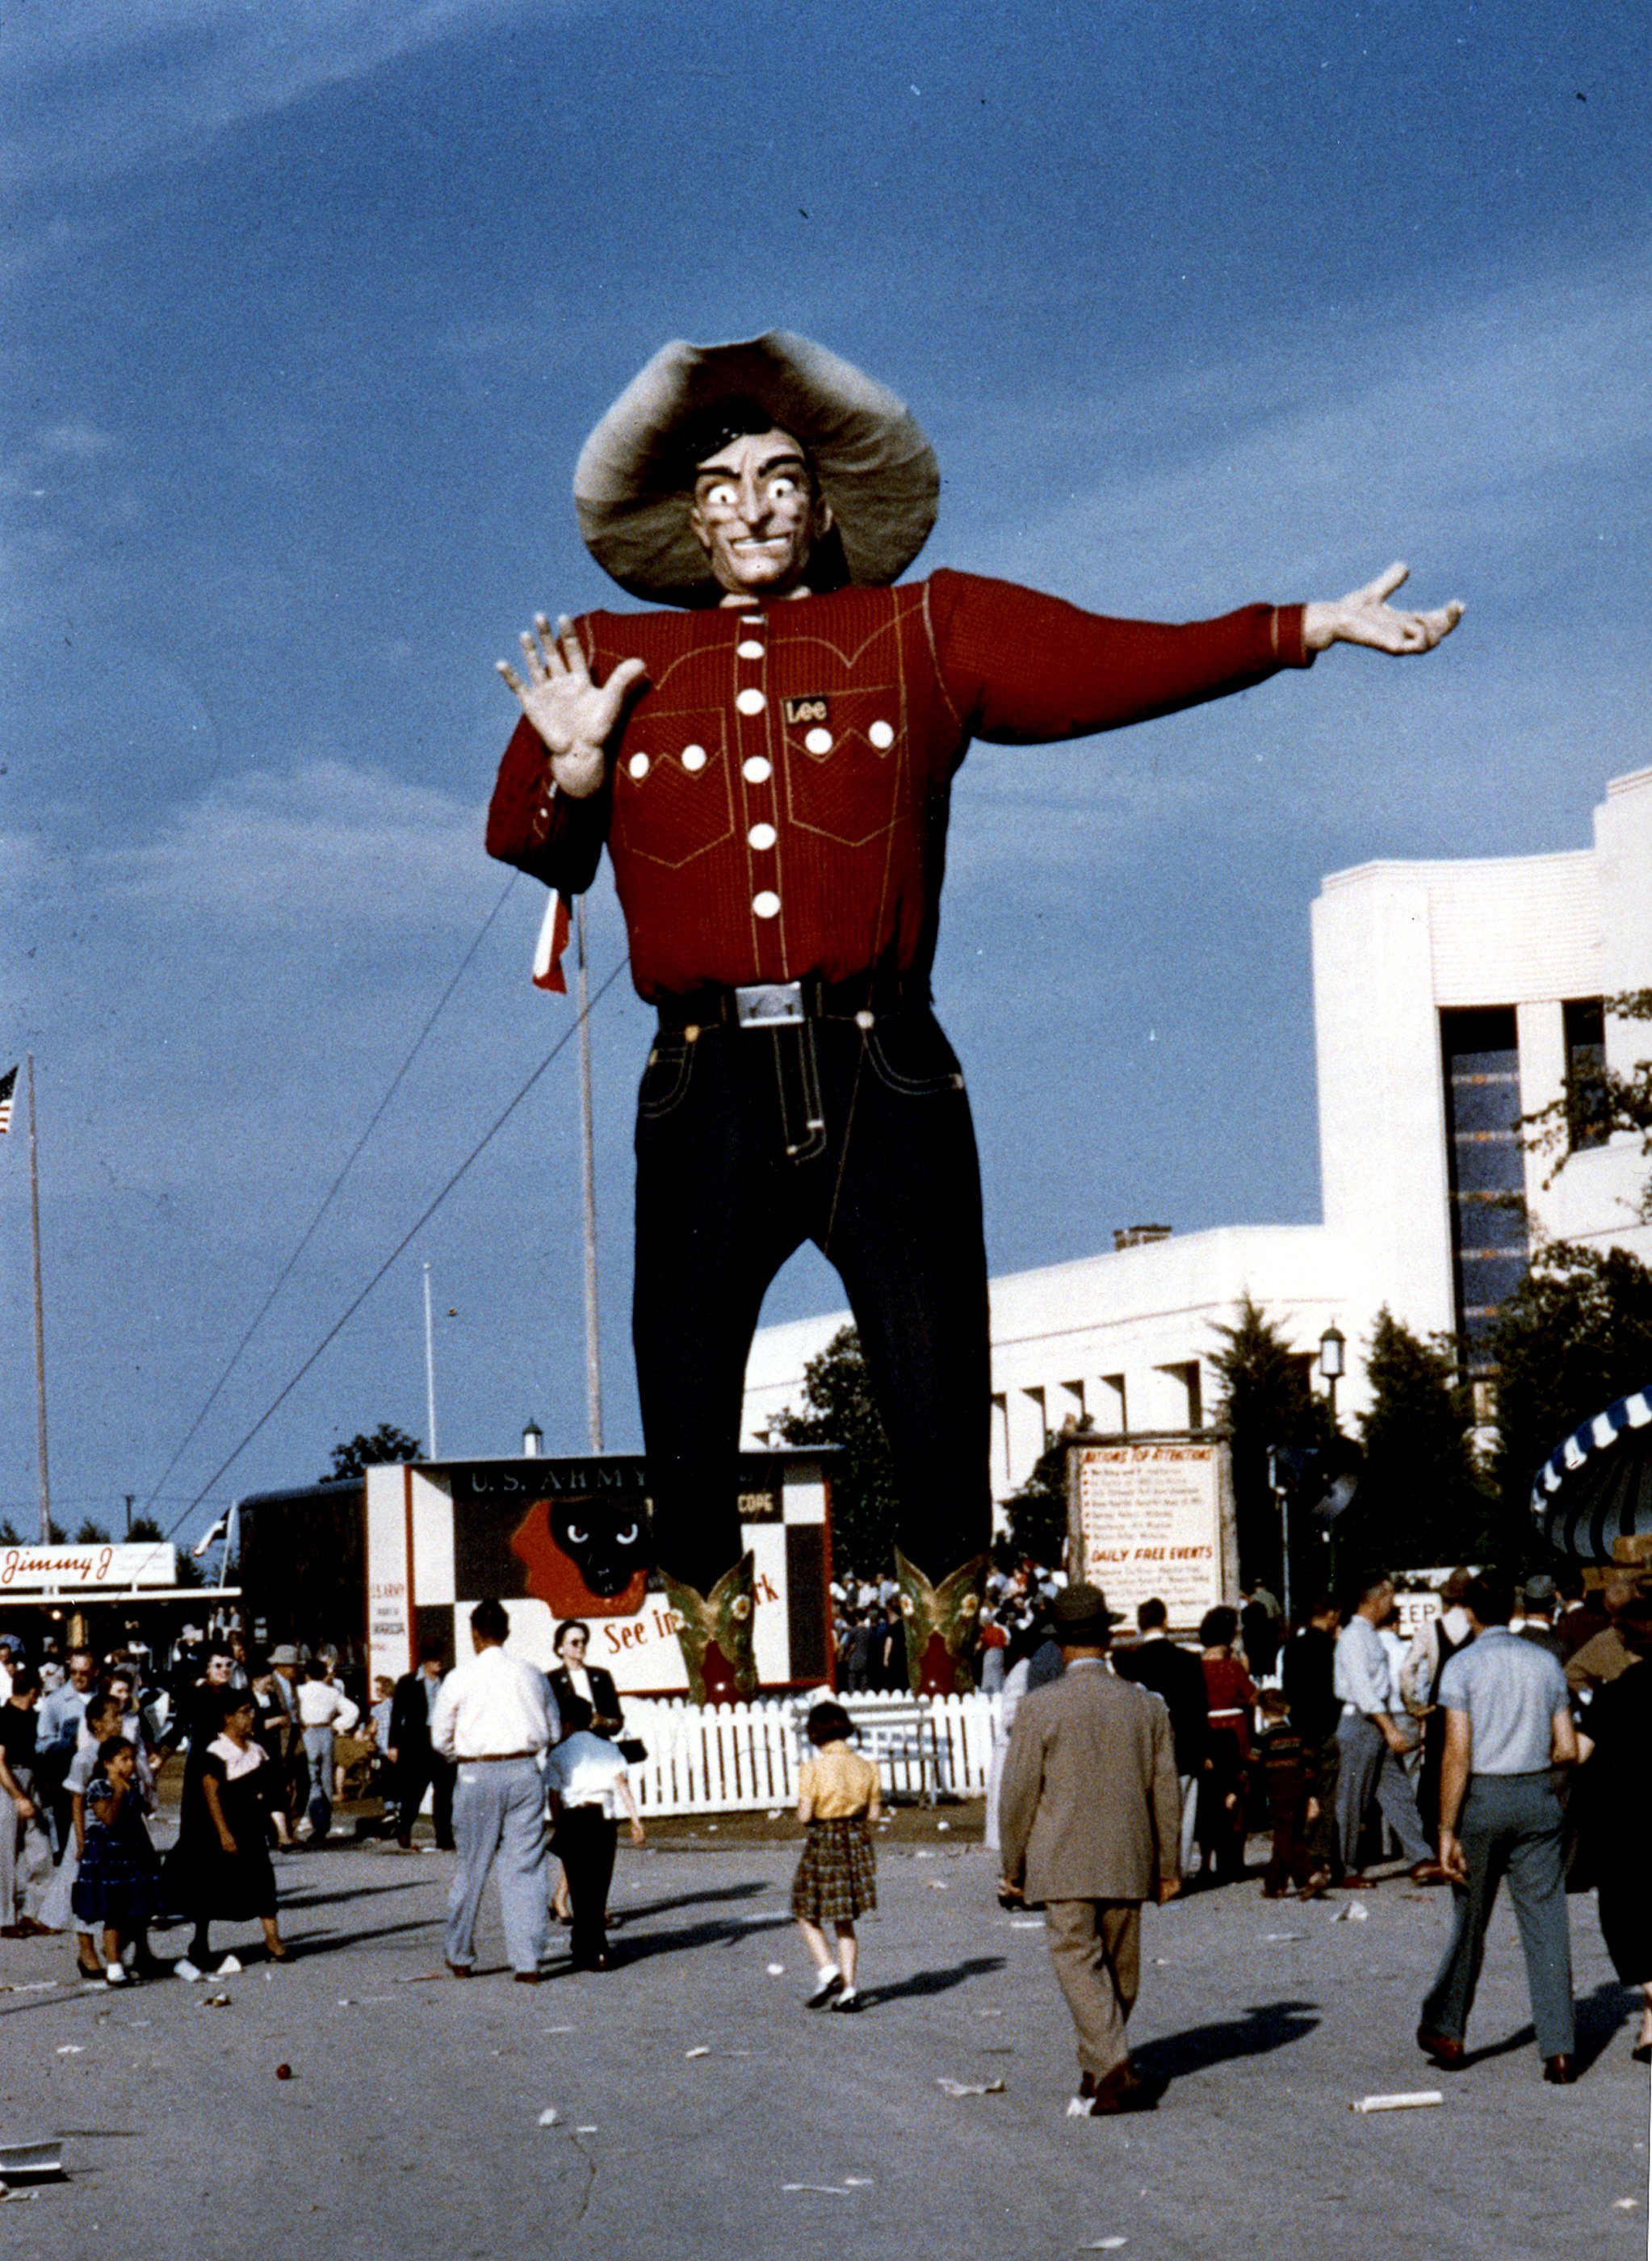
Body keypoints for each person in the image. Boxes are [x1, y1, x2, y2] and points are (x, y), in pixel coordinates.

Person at [486, 331, 1461, 1704]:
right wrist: (576, 772)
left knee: (938, 1391)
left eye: (781, 479)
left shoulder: (917, 632)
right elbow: (526, 841)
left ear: (826, 507)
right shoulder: (610, 660)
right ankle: (712, 1709)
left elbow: (1106, 660)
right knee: (686, 1409)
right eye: (720, 487)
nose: (752, 508)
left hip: (882, 1062)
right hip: (701, 1080)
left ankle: (951, 1704)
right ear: (687, 519)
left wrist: (1297, 630)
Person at [999, 1584, 1180, 2116]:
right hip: (1129, 1857)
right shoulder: (1147, 1706)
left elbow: (1018, 1795)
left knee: (1079, 1964)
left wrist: (1013, 1866)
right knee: (1122, 1973)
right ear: (1108, 1638)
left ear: (1059, 1644)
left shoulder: (1038, 1707)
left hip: (1060, 1860)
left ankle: (1111, 2067)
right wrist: (1169, 1865)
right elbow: (1165, 1791)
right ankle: (1103, 2068)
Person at [1417, 1571, 1580, 2083]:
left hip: (1483, 1798)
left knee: (1470, 1919)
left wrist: (1446, 1828)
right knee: (1547, 1924)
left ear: (1468, 1610)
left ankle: (1448, 2029)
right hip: (1537, 1796)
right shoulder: (1544, 1662)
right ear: (1513, 1607)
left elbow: (1456, 1754)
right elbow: (1567, 1748)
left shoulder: (1462, 1665)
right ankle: (1559, 2049)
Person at [431, 1599, 560, 1982]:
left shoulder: (459, 1678)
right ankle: (528, 1960)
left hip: (477, 1771)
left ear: (475, 1634)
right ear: (507, 1632)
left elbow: (440, 1737)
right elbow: (552, 1729)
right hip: (524, 1770)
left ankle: (460, 1954)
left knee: (471, 1866)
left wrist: (463, 1756)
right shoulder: (532, 1674)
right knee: (525, 1867)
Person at [1570, 1590, 1652, 2063]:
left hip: (1628, 1821)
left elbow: (1578, 1752)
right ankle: (1650, 2025)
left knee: (1625, 1915)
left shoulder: (1616, 1694)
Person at [166, 1688, 289, 1979]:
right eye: (245, 1712)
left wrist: (281, 1831)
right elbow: (211, 1795)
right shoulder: (215, 1751)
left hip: (252, 1828)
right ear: (228, 1717)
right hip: (221, 1828)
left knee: (263, 1881)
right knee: (210, 1888)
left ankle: (273, 1940)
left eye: (252, 1710)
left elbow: (272, 1794)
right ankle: (200, 1941)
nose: (251, 1716)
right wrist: (224, 1833)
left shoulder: (257, 1751)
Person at [1332, 1572, 1440, 1886]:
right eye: (1389, 1598)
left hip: (1376, 1721)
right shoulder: (1354, 1637)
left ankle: (1421, 1857)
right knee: (1353, 1796)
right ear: (1377, 1600)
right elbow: (1363, 1689)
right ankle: (1346, 1867)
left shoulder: (1367, 1635)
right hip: (1362, 1721)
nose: (1392, 1605)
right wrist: (1390, 1729)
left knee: (1398, 1792)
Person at [790, 1700, 882, 2012]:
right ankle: (849, 1990)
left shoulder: (813, 1769)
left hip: (825, 1840)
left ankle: (829, 1972)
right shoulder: (868, 1767)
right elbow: (874, 1814)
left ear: (816, 1733)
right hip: (855, 1841)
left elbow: (805, 1815)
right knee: (844, 1918)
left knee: (805, 1909)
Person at [1113, 1598, 1208, 1879]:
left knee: (1147, 1813)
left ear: (1140, 1623)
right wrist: (1203, 1750)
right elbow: (1199, 1709)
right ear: (1165, 1621)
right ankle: (1176, 1872)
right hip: (1184, 1748)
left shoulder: (1129, 1662)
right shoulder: (1189, 1660)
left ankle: (1149, 1871)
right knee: (1184, 1813)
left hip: (1143, 1750)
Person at [38, 1692, 127, 1973]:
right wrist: (80, 1840)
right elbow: (76, 1799)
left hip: (115, 1831)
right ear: (97, 1722)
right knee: (82, 1892)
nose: (120, 1721)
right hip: (89, 1832)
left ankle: (117, 1949)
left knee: (116, 1891)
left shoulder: (120, 1753)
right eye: (114, 1716)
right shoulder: (85, 1758)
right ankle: (86, 1951)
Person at [543, 1727, 646, 1972]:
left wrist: (560, 1825)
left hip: (574, 1818)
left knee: (579, 1888)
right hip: (603, 1820)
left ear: (567, 1723)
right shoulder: (608, 1749)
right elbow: (621, 1785)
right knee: (599, 1885)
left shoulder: (559, 1753)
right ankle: (597, 1948)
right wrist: (635, 1820)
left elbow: (554, 1795)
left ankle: (584, 1947)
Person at [71, 1736, 161, 1986]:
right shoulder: (99, 1786)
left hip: (132, 1853)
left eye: (132, 1759)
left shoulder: (133, 1784)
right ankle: (113, 1965)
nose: (130, 1764)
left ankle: (121, 1952)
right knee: (114, 1912)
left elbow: (142, 1813)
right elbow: (108, 1818)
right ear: (108, 1763)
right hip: (109, 1856)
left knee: (138, 1908)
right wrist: (119, 1790)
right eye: (124, 1759)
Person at [1399, 1568, 1474, 1844]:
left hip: (1439, 1710)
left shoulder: (1430, 1628)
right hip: (1472, 1709)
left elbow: (1407, 1670)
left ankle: (1435, 1835)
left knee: (1435, 1771)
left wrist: (1413, 1704)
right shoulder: (1477, 1628)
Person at [1196, 1606, 1256, 1886]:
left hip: (1207, 1731)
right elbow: (1252, 1696)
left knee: (1207, 1797)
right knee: (1237, 1793)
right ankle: (1233, 1861)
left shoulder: (1197, 1668)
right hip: (1233, 1731)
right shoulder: (1233, 1668)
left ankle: (1205, 1861)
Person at [1281, 1596, 1342, 1873]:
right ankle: (1321, 1852)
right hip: (1327, 1726)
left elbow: (1288, 1689)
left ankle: (1298, 1849)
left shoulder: (1292, 1647)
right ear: (1330, 1615)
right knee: (1327, 1792)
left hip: (1300, 1727)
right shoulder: (1332, 1647)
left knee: (1304, 1792)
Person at [1256, 1688, 1330, 1898]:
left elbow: (1251, 1766)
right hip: (1299, 1792)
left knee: (1285, 1838)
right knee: (1288, 1834)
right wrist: (1312, 1794)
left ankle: (1310, 1874)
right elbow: (1310, 1765)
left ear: (1262, 1712)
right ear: (1286, 1709)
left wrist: (1238, 1790)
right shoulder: (1298, 1735)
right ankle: (1274, 1884)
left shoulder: (1263, 1738)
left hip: (1277, 1794)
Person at [388, 1640, 455, 1852]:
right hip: (418, 1741)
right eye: (435, 1659)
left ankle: (444, 1838)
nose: (439, 1663)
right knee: (415, 1790)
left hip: (442, 1739)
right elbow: (397, 1715)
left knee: (444, 1792)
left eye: (440, 1659)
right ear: (425, 1661)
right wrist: (393, 1745)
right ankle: (404, 1826)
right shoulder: (408, 1682)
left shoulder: (448, 1679)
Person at [0, 1664, 52, 1936]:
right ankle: (4, 1918)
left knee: (40, 1849)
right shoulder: (4, 1717)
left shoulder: (34, 1718)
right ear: (33, 1691)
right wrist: (18, 1797)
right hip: (9, 1781)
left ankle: (33, 1912)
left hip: (31, 1780)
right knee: (5, 1852)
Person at [33, 1647, 96, 1860]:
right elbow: (42, 1744)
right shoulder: (56, 1701)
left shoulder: (103, 1697)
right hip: (67, 1783)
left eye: (84, 1672)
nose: (78, 1677)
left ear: (95, 1672)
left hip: (98, 1782)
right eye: (73, 1672)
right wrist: (69, 1744)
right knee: (70, 1849)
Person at [295, 1657, 360, 1844]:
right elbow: (353, 1710)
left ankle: (311, 1816)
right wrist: (337, 1725)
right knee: (326, 1779)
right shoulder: (332, 1692)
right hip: (326, 1732)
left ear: (307, 1674)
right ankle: (323, 1823)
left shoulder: (301, 1691)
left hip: (307, 1732)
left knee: (311, 1777)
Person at [547, 1621, 624, 1739]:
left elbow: (617, 1722)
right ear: (560, 1648)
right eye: (575, 1642)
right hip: (568, 1745)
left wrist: (602, 1721)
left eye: (584, 1641)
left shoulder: (601, 1676)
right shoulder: (551, 1680)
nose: (581, 1645)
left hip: (600, 1743)